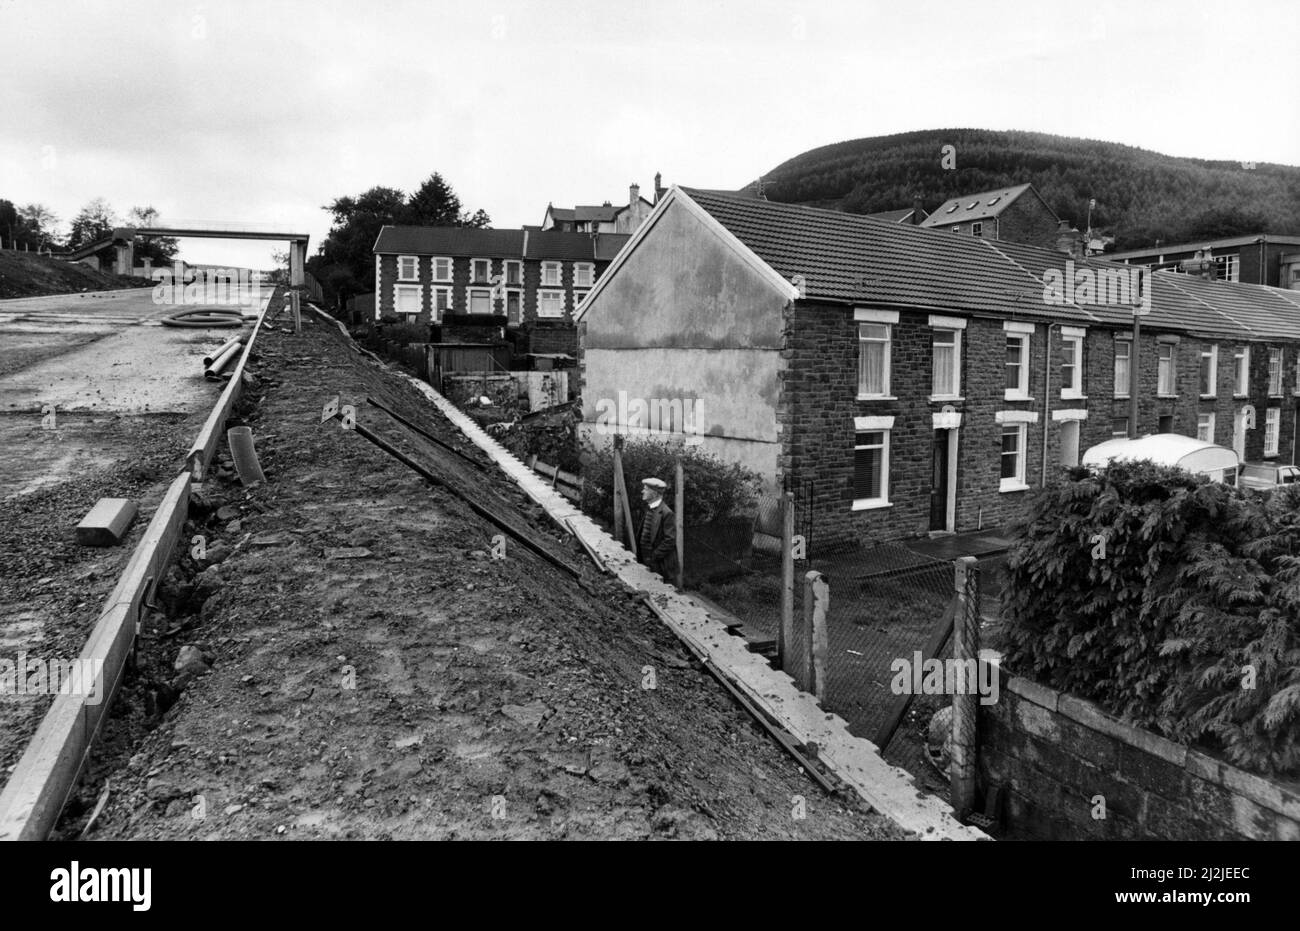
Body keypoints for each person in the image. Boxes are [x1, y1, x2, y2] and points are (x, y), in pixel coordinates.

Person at [637, 477, 678, 582]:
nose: (642, 491)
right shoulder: (649, 508)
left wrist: (653, 557)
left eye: (645, 489)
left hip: (659, 564)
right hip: (645, 559)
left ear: (654, 493)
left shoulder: (666, 513)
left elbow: (670, 540)